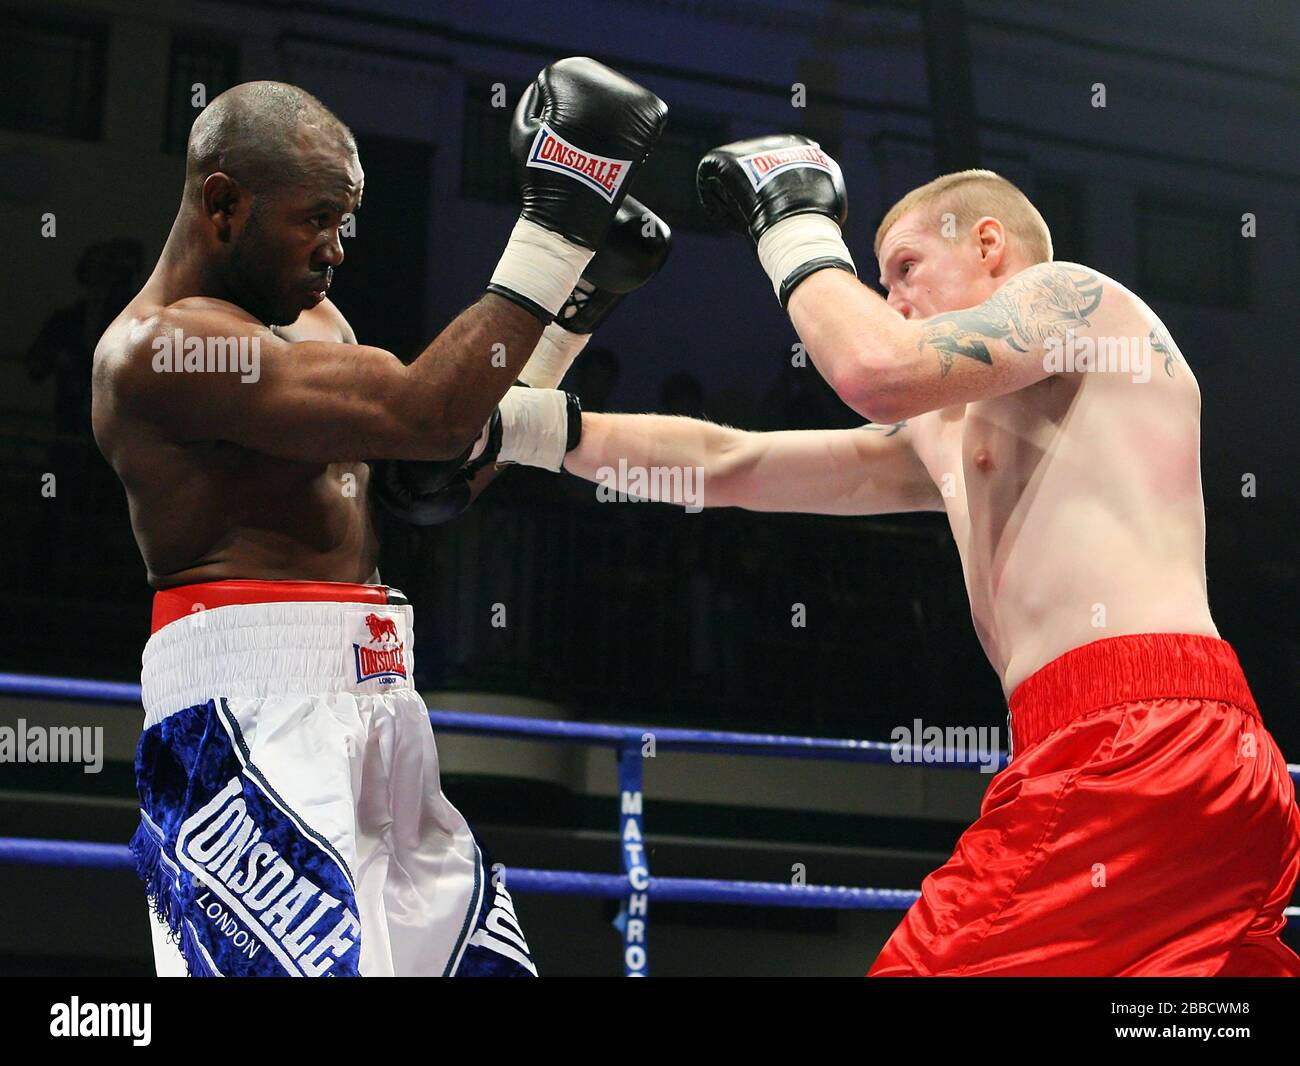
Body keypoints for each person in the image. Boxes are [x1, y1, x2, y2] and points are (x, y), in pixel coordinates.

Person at [549, 144, 1299, 976]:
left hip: (1136, 738)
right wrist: (537, 432)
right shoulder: (948, 433)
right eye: (881, 282)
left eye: (906, 268)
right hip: (1176, 764)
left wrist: (793, 224)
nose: (891, 299)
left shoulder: (1074, 304)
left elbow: (873, 369)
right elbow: (735, 466)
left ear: (988, 244)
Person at [92, 63, 667, 976]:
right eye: (315, 219)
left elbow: (435, 469)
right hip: (246, 715)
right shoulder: (161, 349)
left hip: (380, 692)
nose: (336, 247)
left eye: (343, 220)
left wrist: (574, 312)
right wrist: (558, 227)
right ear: (225, 203)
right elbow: (423, 414)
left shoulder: (318, 322)